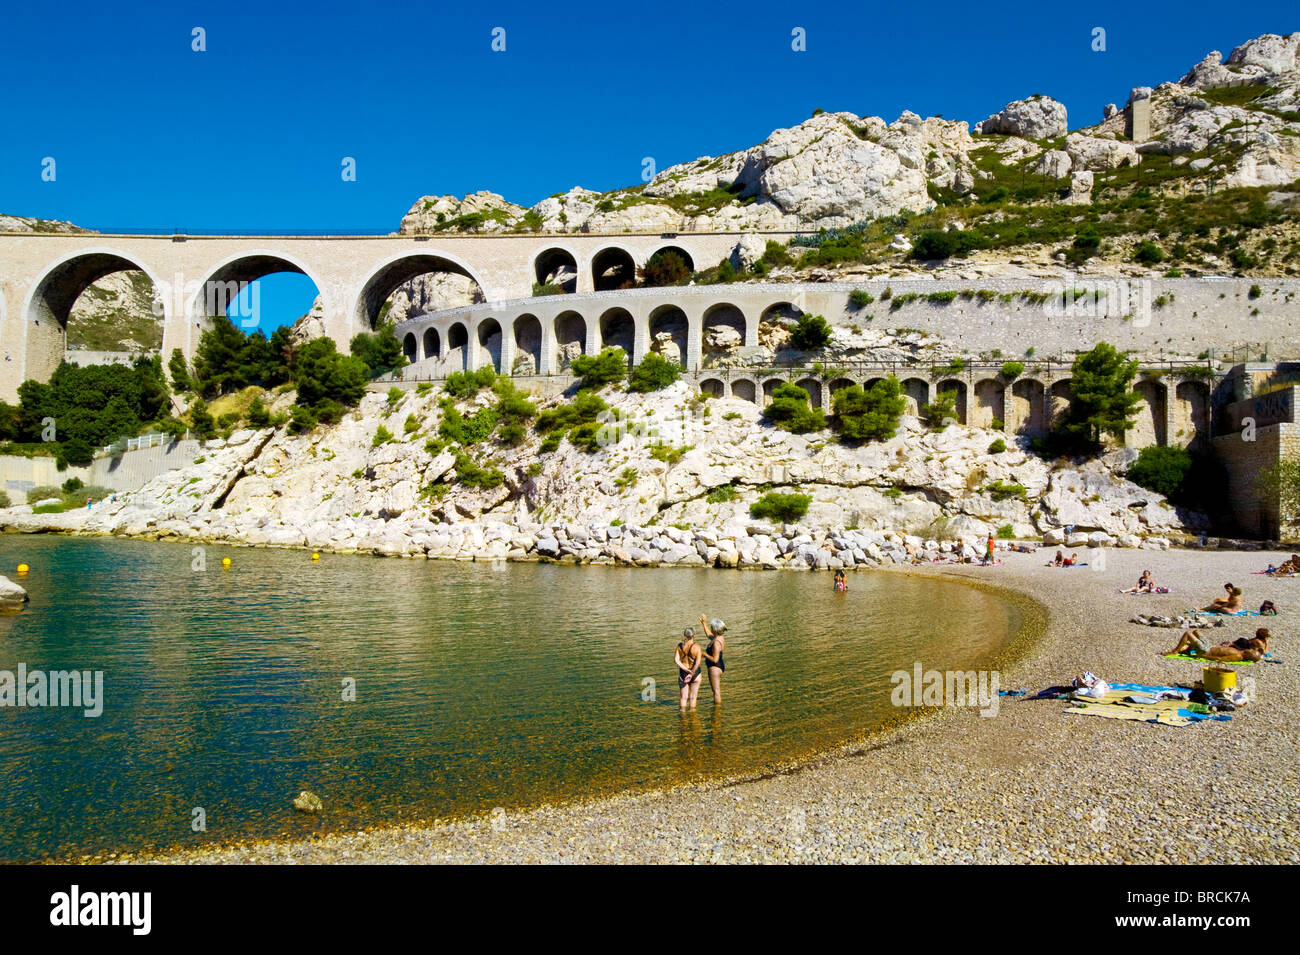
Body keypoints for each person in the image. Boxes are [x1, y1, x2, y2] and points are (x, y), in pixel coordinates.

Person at [1167, 628, 1269, 663]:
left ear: (1249, 655)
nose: (1252, 650)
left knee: (1188, 634)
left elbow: (1219, 659)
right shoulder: (1240, 651)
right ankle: (1186, 649)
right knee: (1196, 631)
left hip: (1205, 650)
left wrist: (1203, 656)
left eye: (1252, 651)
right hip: (1210, 646)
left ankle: (1175, 651)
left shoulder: (1238, 656)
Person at [699, 615, 727, 704]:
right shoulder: (719, 637)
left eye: (711, 627)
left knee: (716, 692)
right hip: (718, 666)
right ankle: (717, 710)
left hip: (714, 667)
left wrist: (704, 654)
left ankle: (717, 714)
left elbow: (715, 659)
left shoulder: (716, 643)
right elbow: (708, 634)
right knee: (716, 691)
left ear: (714, 629)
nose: (710, 628)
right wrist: (703, 623)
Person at [675, 628, 703, 710]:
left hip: (683, 673)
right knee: (693, 698)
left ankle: (683, 718)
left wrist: (686, 670)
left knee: (683, 698)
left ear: (685, 636)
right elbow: (697, 663)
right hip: (695, 673)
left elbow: (676, 660)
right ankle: (692, 718)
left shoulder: (680, 646)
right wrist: (691, 673)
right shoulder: (697, 647)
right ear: (694, 635)